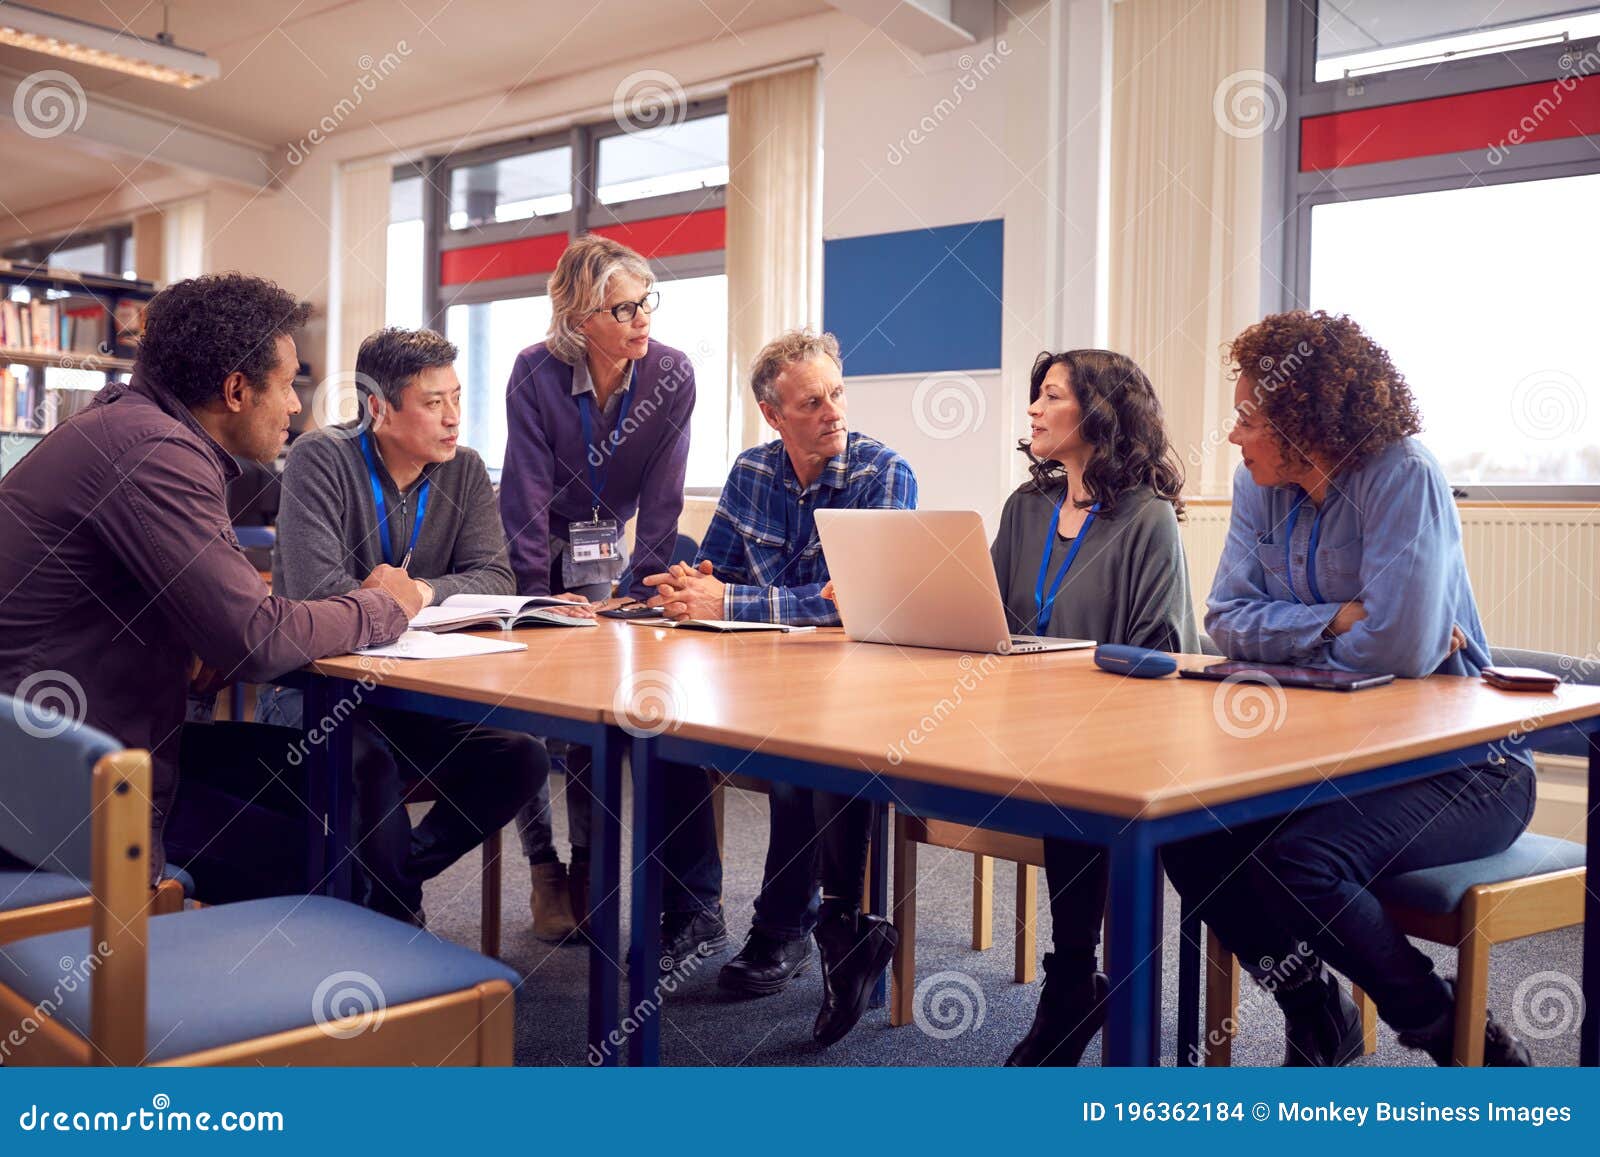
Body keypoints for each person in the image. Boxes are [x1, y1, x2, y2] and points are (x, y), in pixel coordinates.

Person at [1164, 310, 1534, 1066]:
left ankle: (1451, 1034)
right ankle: (1316, 1011)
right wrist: (1341, 618)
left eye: (1247, 416)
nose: (1233, 435)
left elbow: (1402, 647)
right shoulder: (1256, 484)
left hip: (1468, 770)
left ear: (1306, 418)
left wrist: (1319, 635)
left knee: (1300, 861)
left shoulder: (1404, 474)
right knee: (1191, 840)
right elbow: (1225, 619)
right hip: (1331, 755)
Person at [824, 349, 1198, 1055]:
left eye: (1050, 396)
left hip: (1106, 735)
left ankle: (1070, 985)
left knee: (1071, 778)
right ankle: (842, 925)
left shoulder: (1148, 518)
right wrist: (898, 595)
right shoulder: (1026, 508)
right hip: (1011, 717)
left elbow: (1161, 649)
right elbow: (984, 612)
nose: (1032, 409)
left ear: (1098, 413)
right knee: (852, 744)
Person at [0, 273, 417, 889]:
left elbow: (224, 621)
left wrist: (201, 634)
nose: (298, 405)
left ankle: (380, 938)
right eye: (289, 385)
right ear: (236, 390)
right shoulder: (154, 453)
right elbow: (255, 638)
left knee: (353, 770)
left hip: (58, 753)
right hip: (63, 794)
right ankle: (385, 966)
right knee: (331, 837)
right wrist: (382, 605)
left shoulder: (126, 428)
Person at [642, 329, 918, 1030]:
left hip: (853, 691)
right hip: (755, 676)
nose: (833, 412)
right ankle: (693, 909)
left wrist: (730, 601)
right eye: (811, 402)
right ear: (773, 415)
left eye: (837, 394)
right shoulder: (751, 471)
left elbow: (855, 602)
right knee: (657, 722)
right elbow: (717, 569)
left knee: (802, 753)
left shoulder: (884, 475)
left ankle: (784, 928)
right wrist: (690, 585)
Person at [259, 327, 552, 925]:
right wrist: (414, 602)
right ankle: (396, 912)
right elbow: (318, 592)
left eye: (457, 399)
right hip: (316, 689)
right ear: (378, 408)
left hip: (412, 691)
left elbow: (497, 578)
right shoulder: (321, 458)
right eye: (432, 403)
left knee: (520, 756)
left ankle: (385, 880)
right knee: (368, 765)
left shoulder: (464, 470)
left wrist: (419, 592)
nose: (453, 419)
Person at [499, 234, 695, 940]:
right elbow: (521, 489)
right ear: (582, 318)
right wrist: (533, 596)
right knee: (525, 716)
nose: (642, 319)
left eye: (646, 302)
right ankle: (542, 863)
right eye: (623, 309)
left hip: (611, 557)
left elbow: (667, 491)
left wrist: (642, 584)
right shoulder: (534, 371)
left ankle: (588, 866)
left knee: (594, 720)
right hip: (538, 548)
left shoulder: (671, 373)